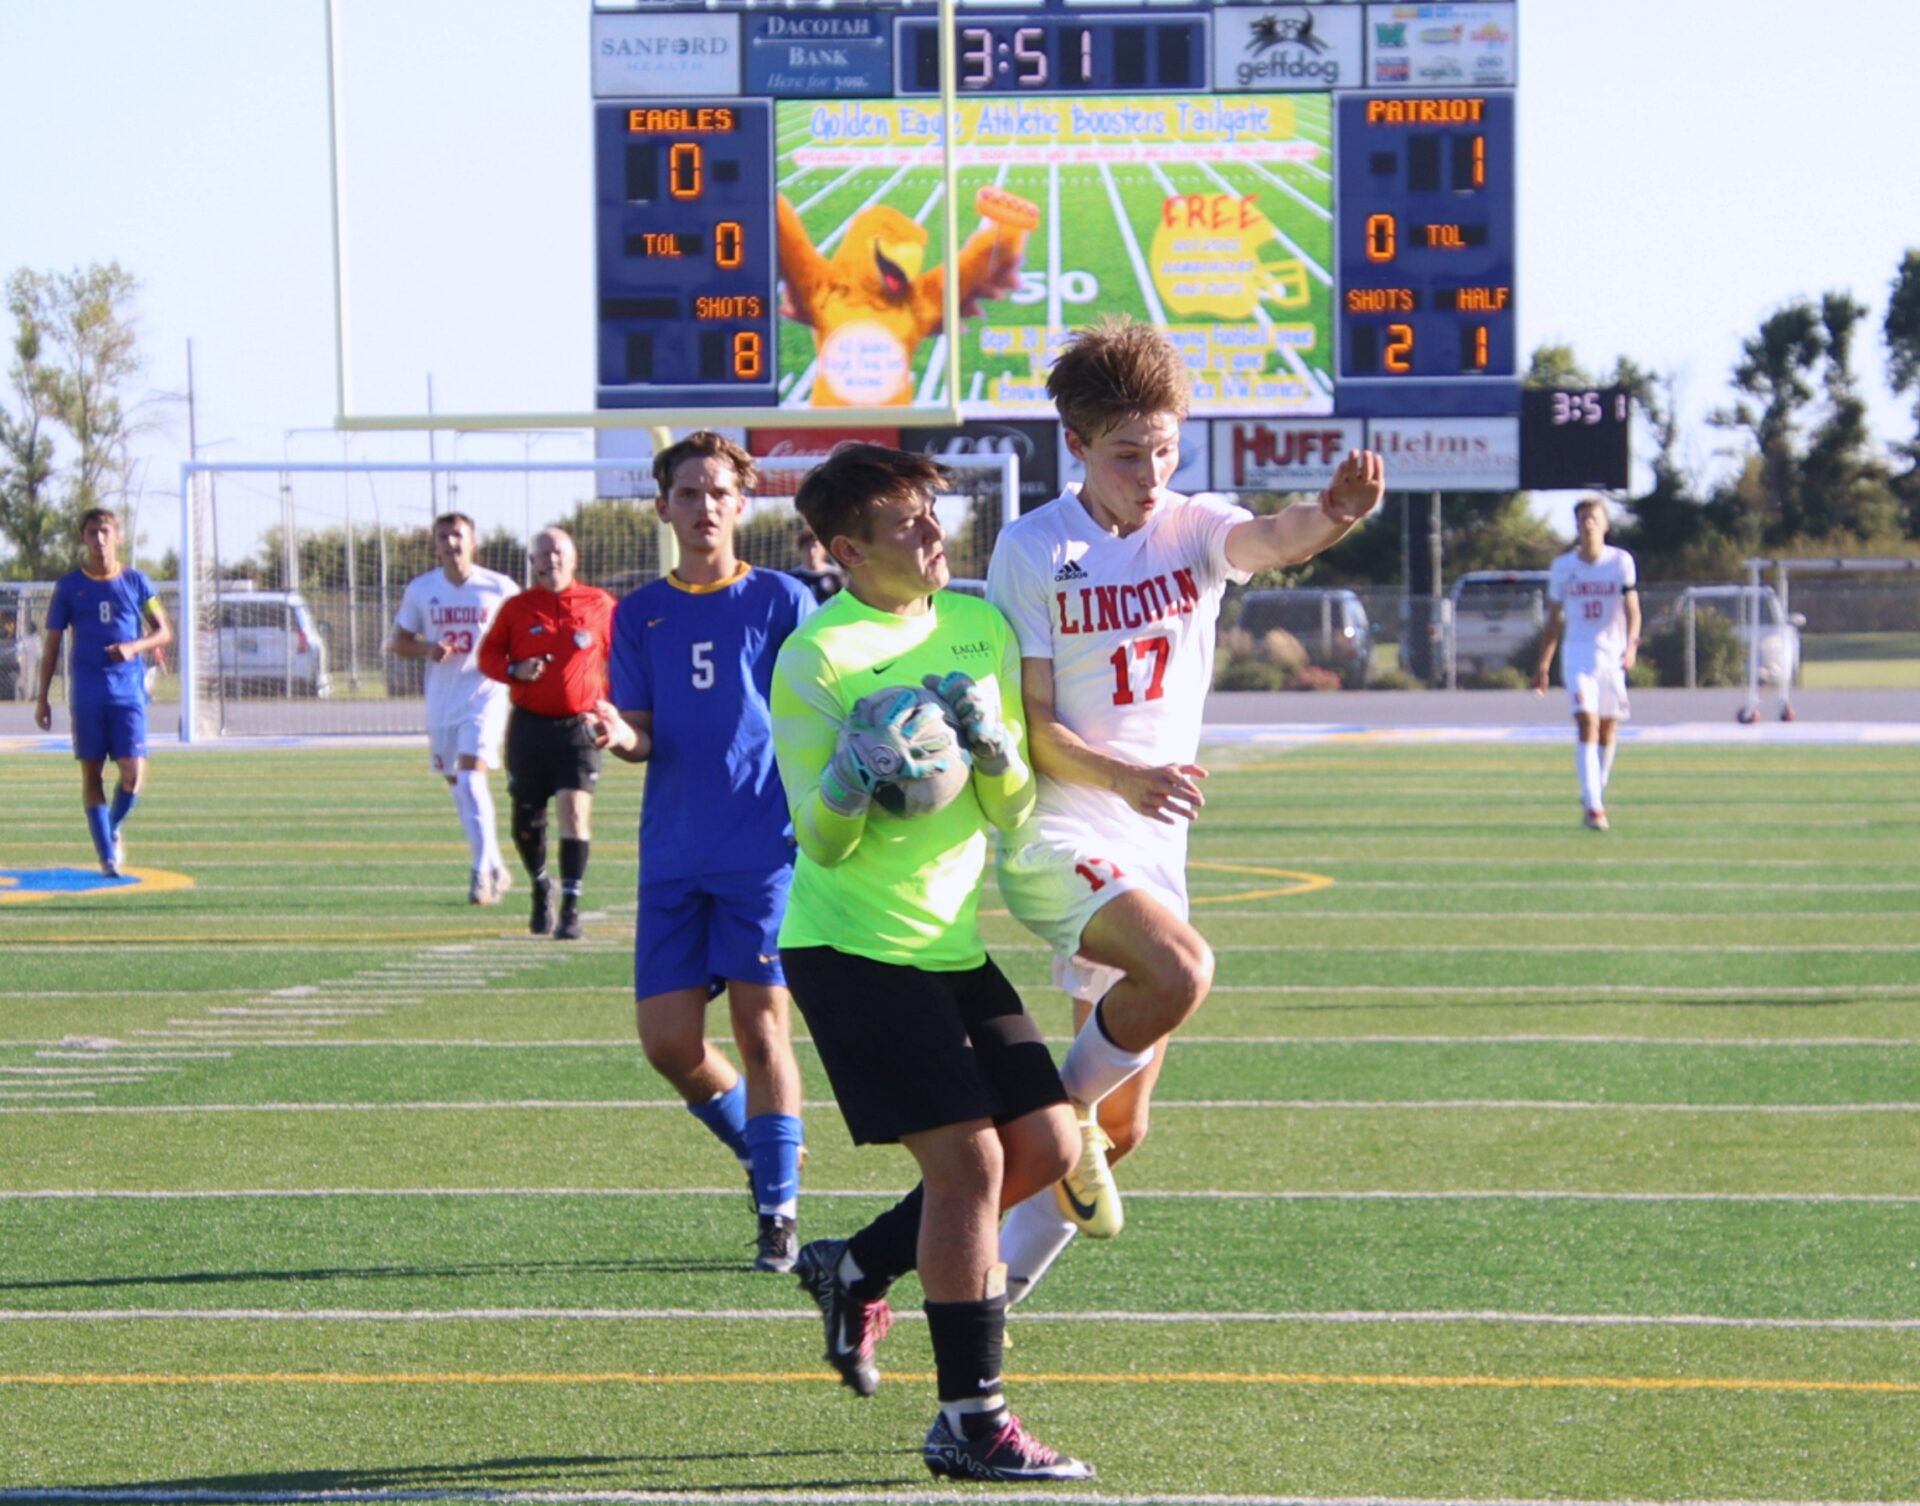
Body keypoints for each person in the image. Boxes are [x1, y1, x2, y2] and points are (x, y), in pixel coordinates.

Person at [987, 316, 1386, 1306]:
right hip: (1068, 827)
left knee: (1122, 1132)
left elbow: (1274, 537)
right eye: (1129, 453)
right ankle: (1013, 1162)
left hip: (1155, 838)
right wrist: (1123, 776)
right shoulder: (1032, 548)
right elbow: (1033, 729)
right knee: (1174, 976)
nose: (1152, 470)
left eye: (1167, 447)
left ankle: (982, 1286)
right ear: (1075, 446)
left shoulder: (1194, 526)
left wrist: (1333, 513)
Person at [769, 443, 1092, 1482]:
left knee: (1043, 1147)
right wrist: (855, 779)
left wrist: (996, 752)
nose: (933, 533)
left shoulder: (978, 626)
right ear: (848, 548)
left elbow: (1009, 809)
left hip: (949, 939)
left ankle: (856, 1267)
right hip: (851, 945)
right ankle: (970, 1421)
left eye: (932, 514)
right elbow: (818, 842)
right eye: (907, 523)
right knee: (972, 1165)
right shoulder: (817, 656)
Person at [595, 432, 815, 1273]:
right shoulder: (641, 611)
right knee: (668, 1045)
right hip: (673, 854)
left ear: (742, 503)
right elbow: (641, 732)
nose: (704, 507)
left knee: (763, 1035)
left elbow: (818, 709)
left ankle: (778, 1213)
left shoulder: (783, 602)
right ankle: (767, 1153)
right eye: (688, 493)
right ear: (663, 506)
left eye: (719, 492)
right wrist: (618, 732)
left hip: (762, 851)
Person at [477, 527, 616, 940]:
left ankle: (571, 909)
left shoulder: (599, 604)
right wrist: (513, 671)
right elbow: (488, 656)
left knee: (574, 811)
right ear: (533, 562)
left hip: (579, 727)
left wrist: (612, 706)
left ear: (573, 559)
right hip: (528, 727)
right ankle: (541, 885)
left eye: (558, 552)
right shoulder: (517, 608)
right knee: (525, 820)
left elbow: (625, 656)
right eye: (542, 553)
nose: (550, 559)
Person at [34, 507, 174, 877]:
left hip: (128, 693)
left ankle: (111, 827)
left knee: (133, 773)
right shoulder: (68, 587)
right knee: (91, 773)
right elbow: (51, 646)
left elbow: (163, 631)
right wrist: (42, 696)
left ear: (118, 537)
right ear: (83, 538)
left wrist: (134, 647)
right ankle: (106, 856)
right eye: (92, 532)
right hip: (87, 694)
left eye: (105, 532)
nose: (99, 540)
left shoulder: (138, 582)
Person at [389, 512, 520, 904]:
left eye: (458, 536)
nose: (451, 544)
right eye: (443, 537)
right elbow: (397, 642)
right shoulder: (422, 589)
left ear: (473, 541)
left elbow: (523, 633)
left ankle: (480, 874)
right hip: (443, 703)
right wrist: (427, 648)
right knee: (459, 790)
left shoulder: (499, 588)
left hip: (485, 696)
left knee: (470, 781)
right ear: (435, 545)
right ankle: (494, 862)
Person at [1533, 496, 1640, 831]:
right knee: (1587, 724)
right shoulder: (1563, 567)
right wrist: (1544, 664)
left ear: (1605, 524)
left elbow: (1633, 609)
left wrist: (1631, 646)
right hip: (1578, 655)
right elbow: (1554, 619)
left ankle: (1597, 787)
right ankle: (1594, 806)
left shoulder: (1621, 562)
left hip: (1612, 657)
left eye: (1594, 518)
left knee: (1608, 729)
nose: (1588, 524)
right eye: (1582, 519)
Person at [786, 526, 844, 604]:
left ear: (824, 549)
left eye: (815, 547)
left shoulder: (835, 575)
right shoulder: (792, 577)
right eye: (807, 547)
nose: (811, 552)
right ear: (801, 550)